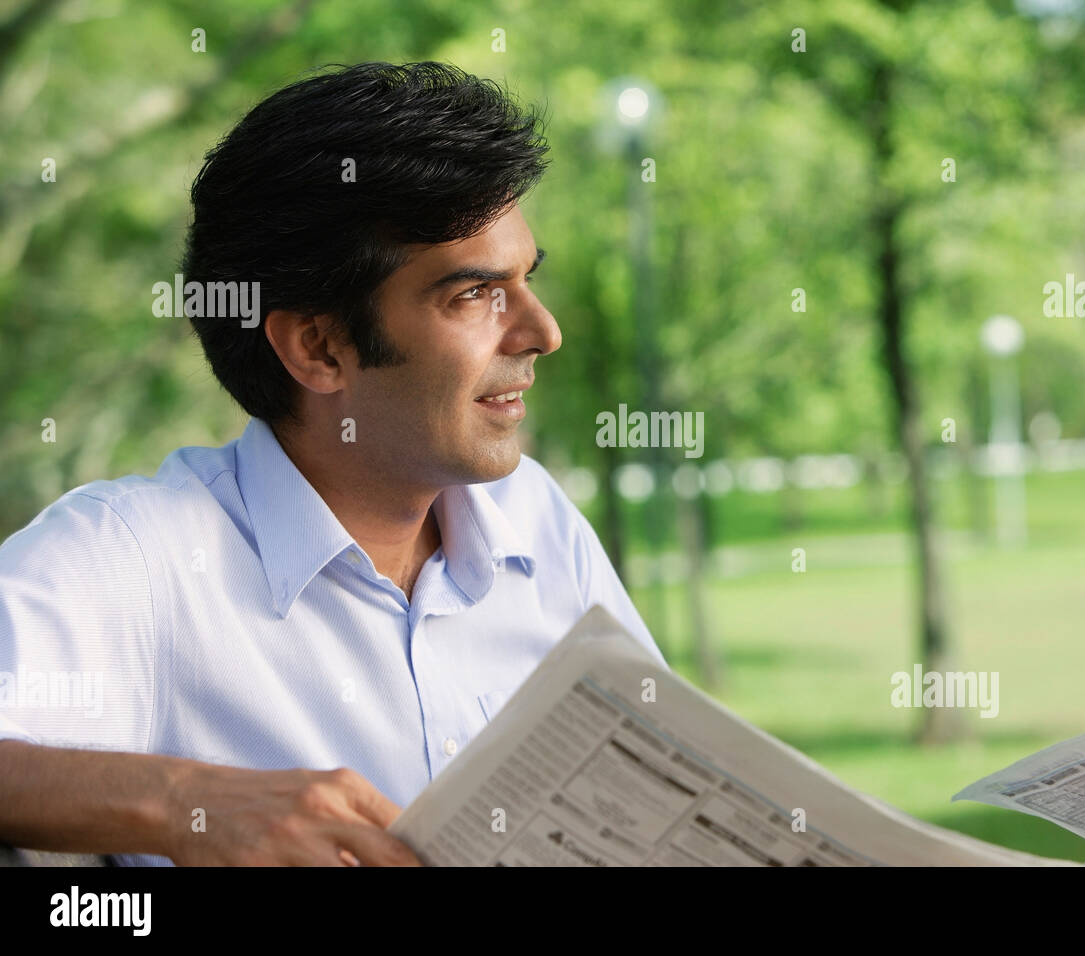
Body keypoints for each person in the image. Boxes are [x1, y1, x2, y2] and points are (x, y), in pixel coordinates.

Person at [0, 62, 666, 866]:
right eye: (473, 294)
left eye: (526, 280)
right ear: (319, 347)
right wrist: (191, 803)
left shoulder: (537, 518)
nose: (541, 331)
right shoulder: (138, 555)